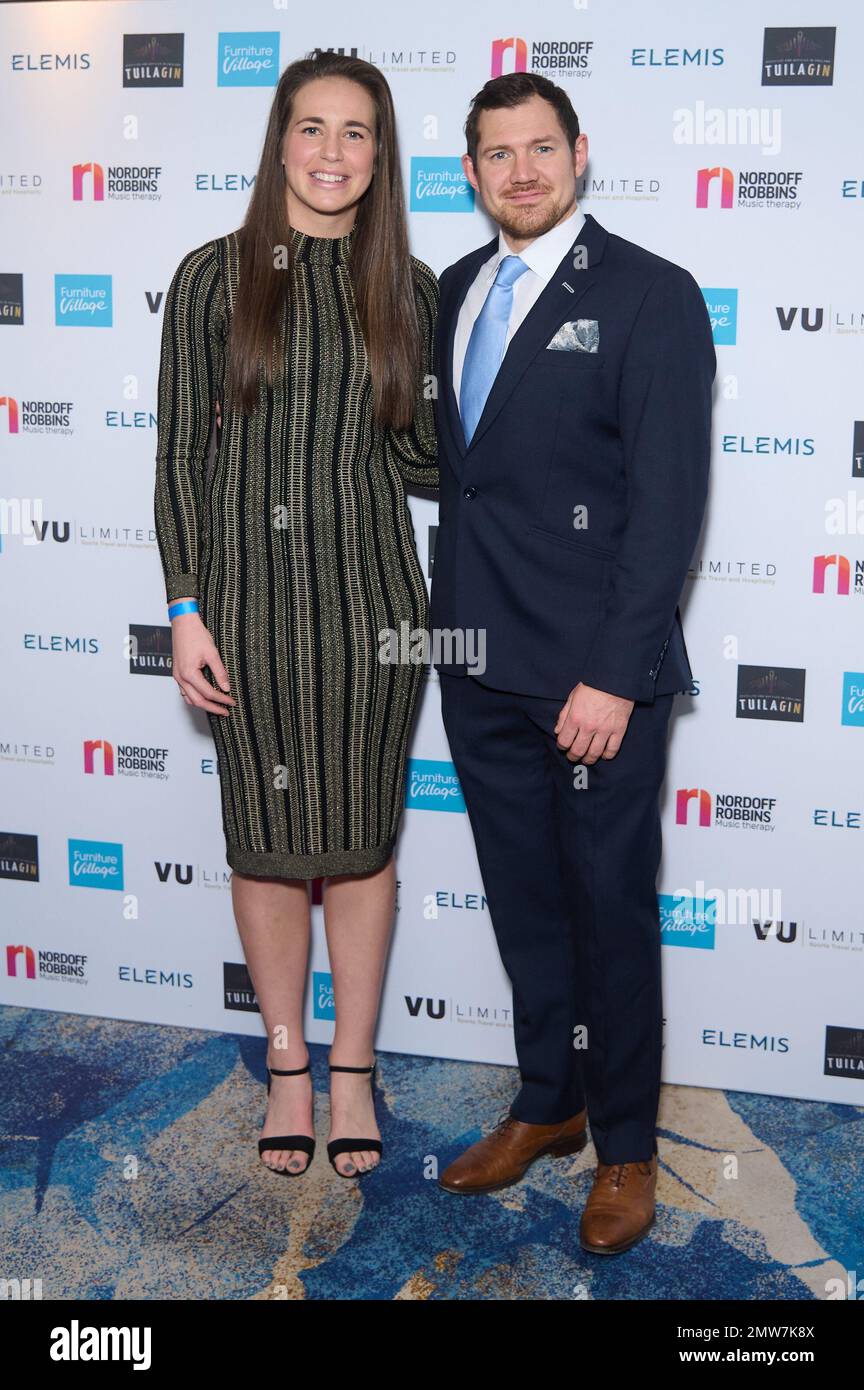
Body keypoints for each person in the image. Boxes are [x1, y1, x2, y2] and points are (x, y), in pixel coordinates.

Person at [429, 72, 714, 1253]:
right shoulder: (452, 290)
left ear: (580, 154)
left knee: (607, 911)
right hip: (476, 658)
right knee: (527, 904)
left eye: (542, 149)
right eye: (499, 155)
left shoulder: (652, 294)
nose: (523, 172)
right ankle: (549, 1102)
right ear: (473, 172)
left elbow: (667, 508)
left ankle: (628, 1149)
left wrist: (614, 673)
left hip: (594, 677)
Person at [153, 50, 438, 1179]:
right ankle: (286, 1064)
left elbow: (424, 458)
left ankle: (354, 1068)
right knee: (269, 853)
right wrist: (184, 604)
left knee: (362, 847)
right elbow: (180, 452)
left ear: (381, 153)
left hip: (373, 610)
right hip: (249, 614)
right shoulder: (215, 278)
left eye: (356, 131)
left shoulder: (409, 288)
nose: (331, 152)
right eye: (312, 128)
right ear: (279, 142)